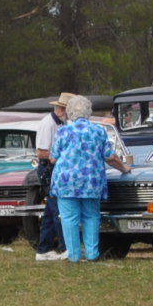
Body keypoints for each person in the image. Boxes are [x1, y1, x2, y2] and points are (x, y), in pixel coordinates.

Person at [47, 94, 127, 263]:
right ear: (89, 111)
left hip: (67, 181)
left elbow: (53, 158)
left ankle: (74, 255)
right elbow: (110, 156)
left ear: (69, 112)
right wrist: (124, 168)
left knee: (69, 218)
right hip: (92, 180)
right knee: (91, 216)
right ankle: (92, 254)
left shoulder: (63, 131)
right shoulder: (98, 130)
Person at [32, 94, 71, 261]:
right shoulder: (47, 124)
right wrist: (63, 156)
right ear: (62, 110)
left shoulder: (62, 123)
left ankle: (44, 249)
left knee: (50, 211)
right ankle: (66, 247)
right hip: (48, 169)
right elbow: (41, 152)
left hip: (55, 168)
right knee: (58, 209)